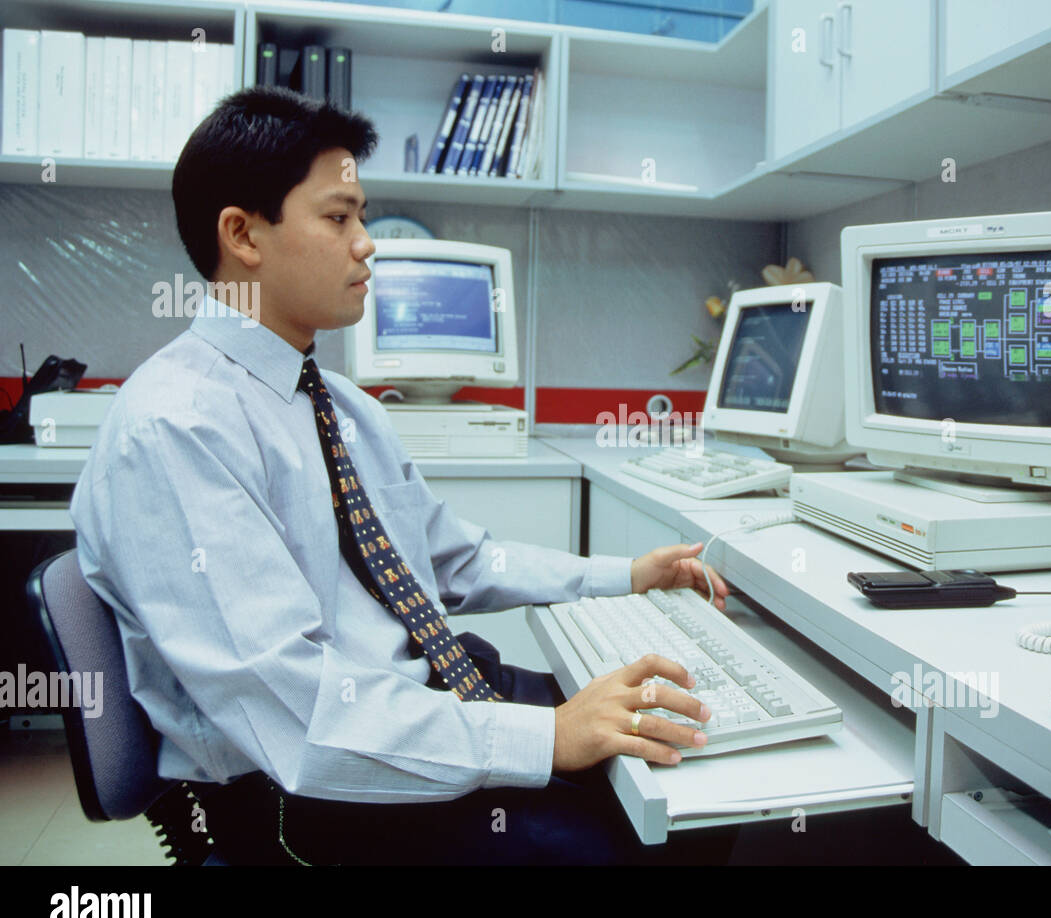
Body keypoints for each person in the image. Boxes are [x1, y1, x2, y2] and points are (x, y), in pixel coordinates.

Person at [69, 86, 736, 865]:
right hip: (308, 792)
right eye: (338, 217)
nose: (367, 243)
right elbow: (300, 715)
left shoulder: (340, 406)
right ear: (243, 235)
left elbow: (455, 560)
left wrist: (625, 573)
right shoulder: (174, 429)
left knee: (688, 774)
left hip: (419, 697)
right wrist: (549, 737)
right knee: (630, 844)